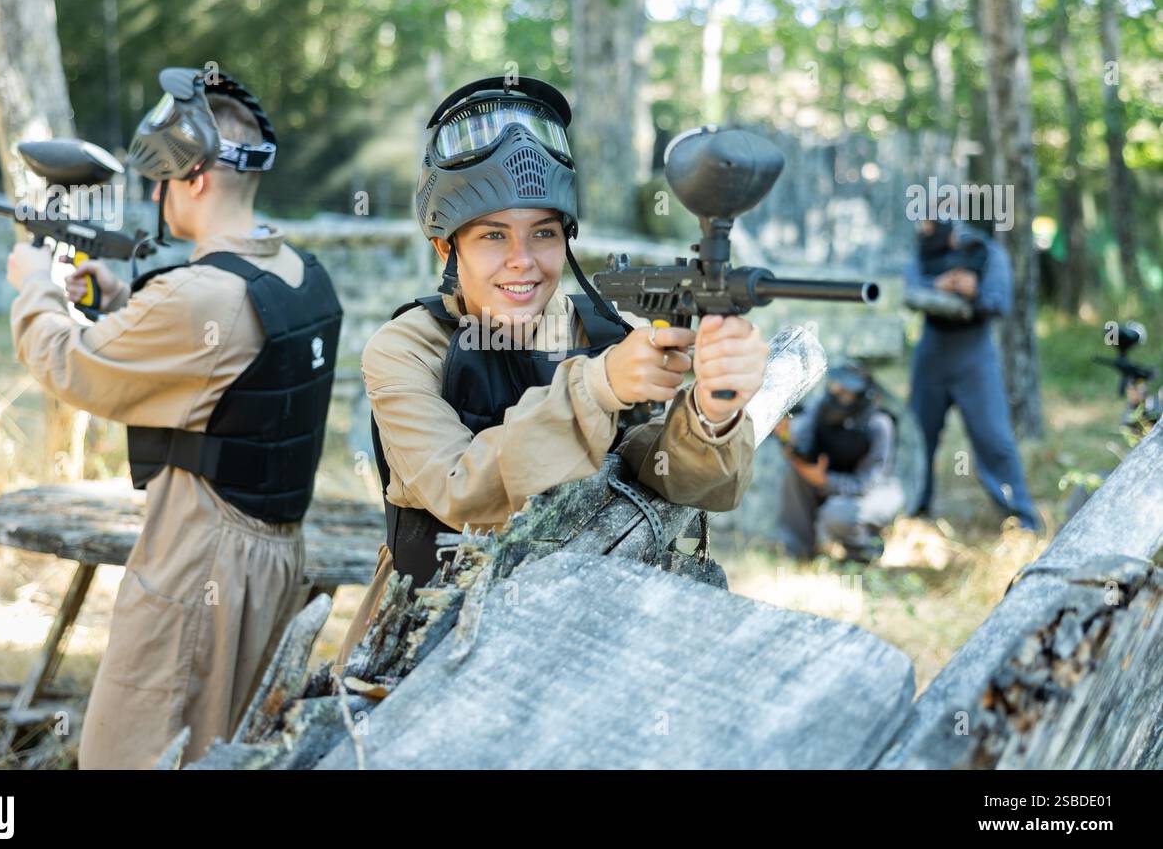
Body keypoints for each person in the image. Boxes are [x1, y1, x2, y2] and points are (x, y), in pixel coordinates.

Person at [334, 76, 769, 669]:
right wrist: (599, 385)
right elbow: (462, 492)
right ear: (446, 248)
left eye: (543, 232)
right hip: (432, 644)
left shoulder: (599, 330)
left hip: (590, 636)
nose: (523, 260)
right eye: (493, 235)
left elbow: (679, 481)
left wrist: (713, 411)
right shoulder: (406, 347)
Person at [6, 66, 343, 768]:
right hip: (276, 557)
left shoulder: (200, 299)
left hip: (202, 556)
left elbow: (72, 364)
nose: (156, 196)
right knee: (227, 747)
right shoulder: (300, 273)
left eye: (162, 180)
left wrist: (33, 285)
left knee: (139, 744)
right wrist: (125, 296)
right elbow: (224, 367)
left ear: (195, 180)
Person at [905, 213, 1038, 531]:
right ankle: (913, 507)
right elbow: (909, 288)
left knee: (994, 439)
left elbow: (998, 301)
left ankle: (1021, 518)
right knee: (918, 436)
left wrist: (971, 292)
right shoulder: (924, 252)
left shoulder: (988, 253)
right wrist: (938, 286)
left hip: (974, 358)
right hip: (931, 356)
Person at [774, 363, 904, 563]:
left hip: (874, 492)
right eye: (835, 386)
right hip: (831, 480)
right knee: (795, 475)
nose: (836, 392)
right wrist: (788, 442)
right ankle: (798, 552)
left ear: (862, 395)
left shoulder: (878, 425)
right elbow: (803, 444)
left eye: (845, 391)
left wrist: (824, 481)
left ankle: (864, 551)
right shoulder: (821, 408)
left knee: (837, 513)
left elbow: (864, 484)